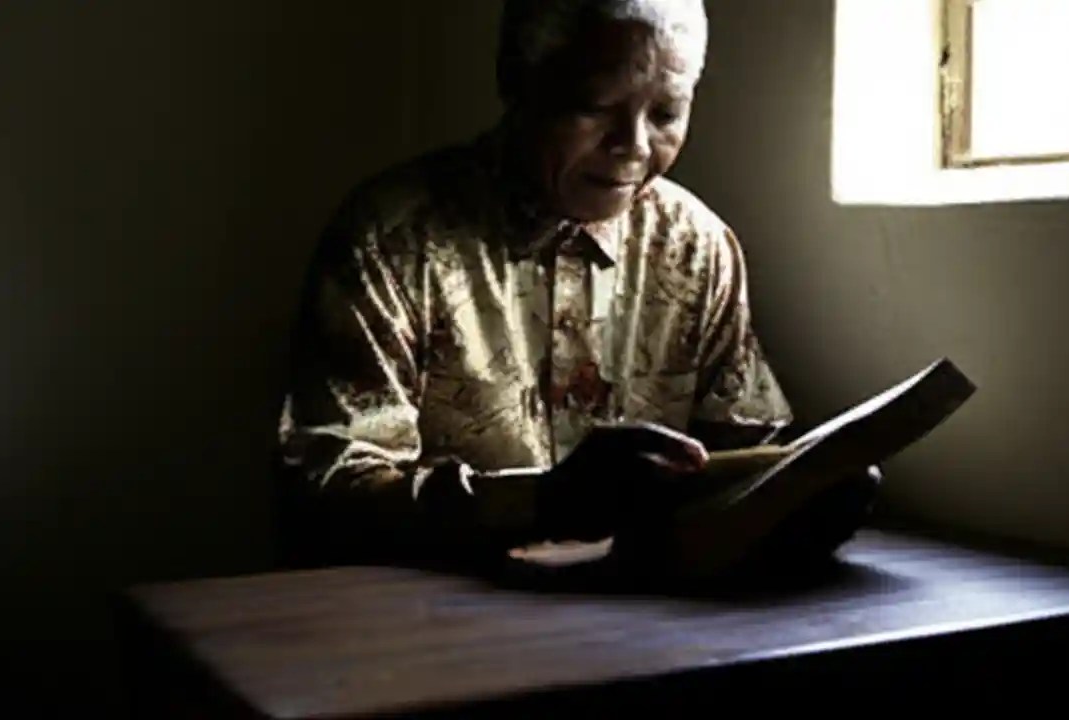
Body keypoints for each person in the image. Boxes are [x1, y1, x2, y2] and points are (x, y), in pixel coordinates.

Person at [274, 0, 879, 575]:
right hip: (426, 628)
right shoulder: (394, 240)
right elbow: (330, 491)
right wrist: (541, 501)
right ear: (517, 82)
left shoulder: (697, 247)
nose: (636, 147)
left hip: (644, 625)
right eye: (594, 107)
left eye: (666, 114)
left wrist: (801, 489)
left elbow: (746, 446)